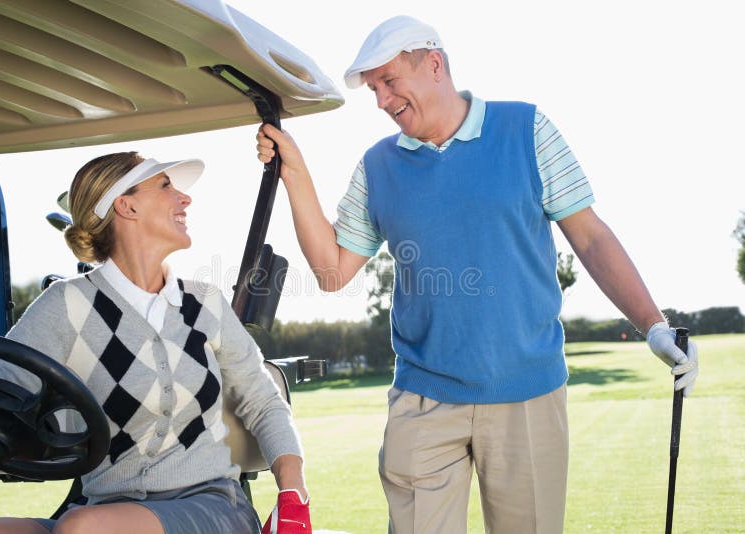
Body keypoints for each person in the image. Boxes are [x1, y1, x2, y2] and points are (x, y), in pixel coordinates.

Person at [256, 15, 699, 534]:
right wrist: (295, 173)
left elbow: (592, 237)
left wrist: (652, 323)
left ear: (435, 64)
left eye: (389, 81)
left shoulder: (526, 130)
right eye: (373, 89)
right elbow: (331, 272)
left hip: (528, 397)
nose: (381, 100)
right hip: (423, 400)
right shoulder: (378, 166)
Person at [0, 152, 311, 534]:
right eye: (165, 186)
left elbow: (262, 401)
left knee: (84, 528)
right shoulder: (65, 305)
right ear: (125, 206)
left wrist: (293, 494)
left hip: (210, 505)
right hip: (103, 508)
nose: (184, 199)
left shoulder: (205, 304)